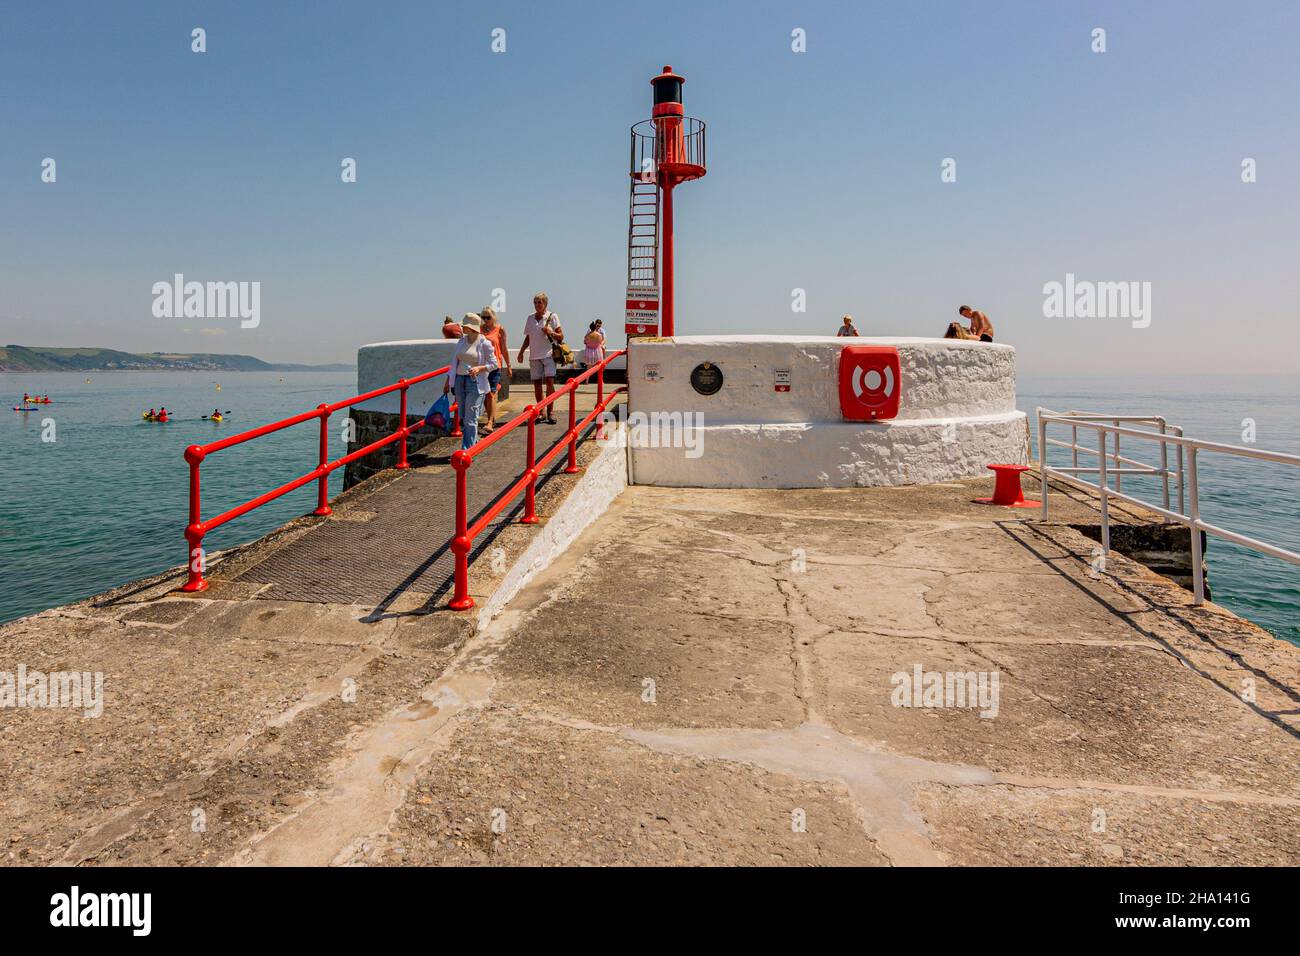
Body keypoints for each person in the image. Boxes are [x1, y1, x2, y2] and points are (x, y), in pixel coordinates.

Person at [444, 312, 497, 449]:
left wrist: (479, 368)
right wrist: (448, 380)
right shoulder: (462, 341)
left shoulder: (484, 343)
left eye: (465, 325)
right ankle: (473, 441)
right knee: (462, 416)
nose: (462, 327)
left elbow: (494, 364)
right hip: (460, 380)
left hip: (475, 382)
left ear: (472, 327)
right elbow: (454, 362)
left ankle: (467, 449)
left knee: (471, 417)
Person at [517, 292, 563, 424]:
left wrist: (551, 332)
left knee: (549, 383)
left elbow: (561, 336)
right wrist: (521, 352)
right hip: (534, 356)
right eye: (535, 302)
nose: (537, 305)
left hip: (548, 355)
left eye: (539, 302)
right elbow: (528, 337)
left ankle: (550, 411)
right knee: (537, 385)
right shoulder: (530, 318)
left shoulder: (552, 316)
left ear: (545, 304)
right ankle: (541, 411)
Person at [478, 306, 510, 434]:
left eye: (488, 317)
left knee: (491, 393)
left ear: (493, 317)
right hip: (482, 366)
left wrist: (509, 365)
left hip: (495, 365)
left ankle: (490, 422)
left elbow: (504, 349)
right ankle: (492, 418)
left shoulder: (499, 330)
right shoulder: (479, 330)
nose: (485, 320)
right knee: (486, 394)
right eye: (483, 317)